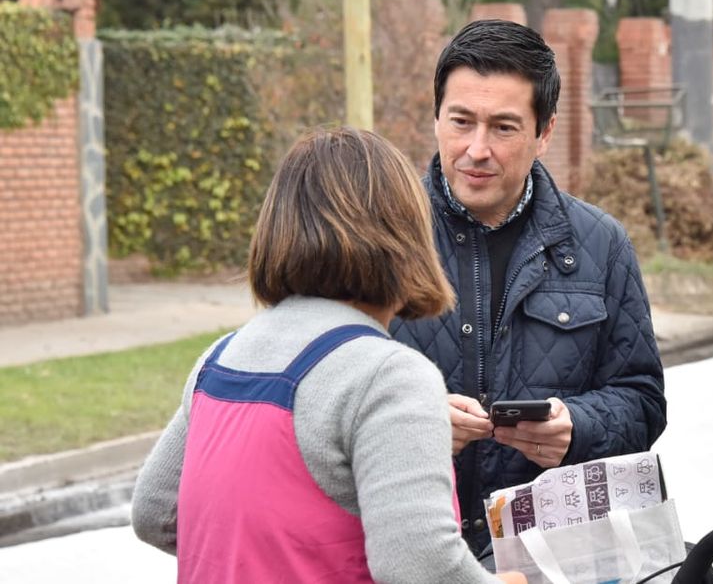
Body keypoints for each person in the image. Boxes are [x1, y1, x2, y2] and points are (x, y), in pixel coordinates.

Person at [131, 127, 525, 583]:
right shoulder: (388, 378)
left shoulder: (219, 359)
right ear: (404, 237)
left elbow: (154, 512)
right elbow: (418, 564)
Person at [390, 19, 668, 554]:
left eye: (503, 128)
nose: (476, 149)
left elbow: (643, 400)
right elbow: (325, 396)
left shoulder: (601, 244)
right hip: (413, 550)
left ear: (545, 133)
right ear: (435, 121)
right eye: (461, 121)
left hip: (548, 555)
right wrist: (411, 424)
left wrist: (578, 428)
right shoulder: (383, 235)